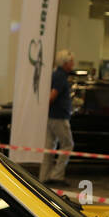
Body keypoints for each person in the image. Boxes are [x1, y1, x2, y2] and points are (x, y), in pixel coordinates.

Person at [39, 49, 75, 185]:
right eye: (71, 61)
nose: (73, 63)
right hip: (59, 117)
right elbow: (53, 96)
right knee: (68, 144)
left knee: (49, 147)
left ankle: (44, 177)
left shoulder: (55, 74)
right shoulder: (61, 76)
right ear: (65, 63)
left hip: (51, 116)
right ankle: (57, 175)